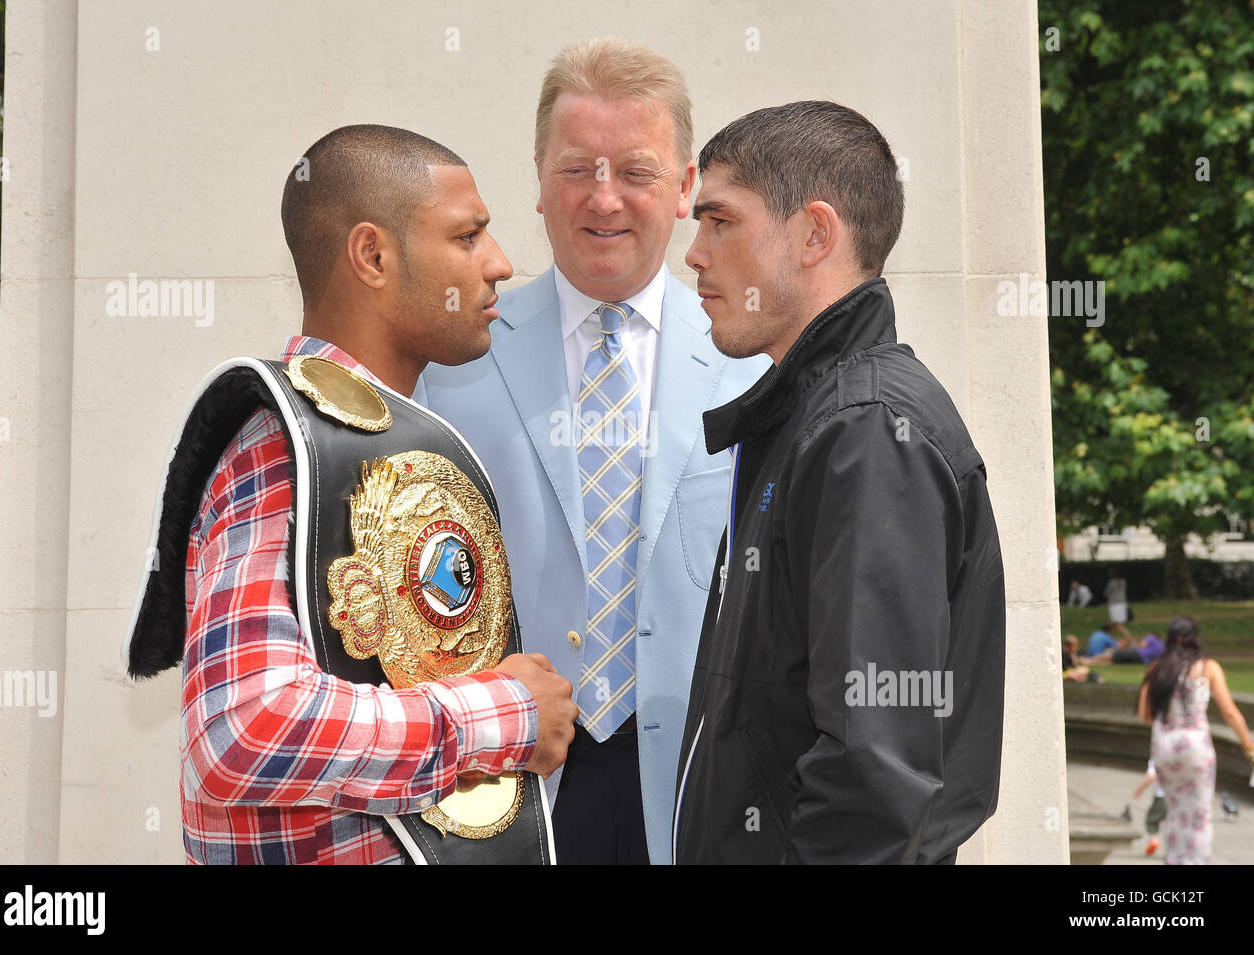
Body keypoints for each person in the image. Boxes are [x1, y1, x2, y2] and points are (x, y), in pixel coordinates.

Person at [123, 125, 578, 863]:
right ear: (373, 255)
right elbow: (242, 727)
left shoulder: (380, 442)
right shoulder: (287, 444)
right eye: (467, 237)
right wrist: (505, 715)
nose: (499, 264)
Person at [418, 38, 768, 864]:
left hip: (696, 792)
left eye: (636, 172)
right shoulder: (454, 358)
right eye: (576, 169)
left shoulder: (751, 362)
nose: (603, 198)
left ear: (685, 188)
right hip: (503, 789)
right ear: (538, 179)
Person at [671, 101, 1006, 864]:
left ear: (815, 233)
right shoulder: (820, 418)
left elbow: (873, 775)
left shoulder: (866, 431)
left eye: (719, 220)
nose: (693, 252)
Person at [1136, 615, 1254, 864]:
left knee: (1175, 808)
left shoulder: (1157, 667)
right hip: (1196, 747)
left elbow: (1144, 713)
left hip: (1165, 746)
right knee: (1199, 812)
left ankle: (1175, 858)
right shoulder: (1208, 667)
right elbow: (1230, 712)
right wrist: (1248, 745)